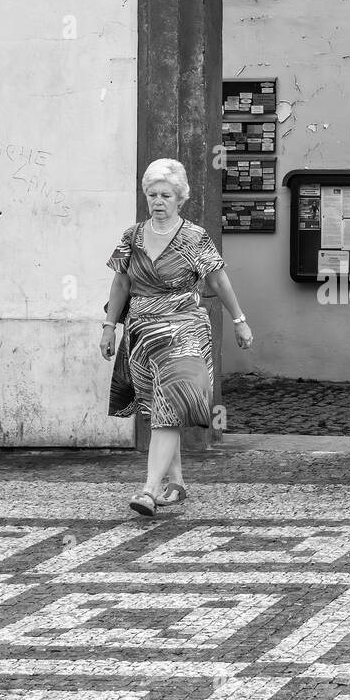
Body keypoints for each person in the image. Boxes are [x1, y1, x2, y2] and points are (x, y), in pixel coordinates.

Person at [101, 158, 254, 515]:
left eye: (165, 195)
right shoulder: (132, 236)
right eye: (152, 194)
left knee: (169, 409)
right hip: (142, 332)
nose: (158, 201)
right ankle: (177, 484)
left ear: (180, 198)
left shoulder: (194, 237)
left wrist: (239, 320)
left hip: (184, 329)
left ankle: (150, 490)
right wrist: (110, 326)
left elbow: (217, 280)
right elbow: (121, 282)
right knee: (157, 411)